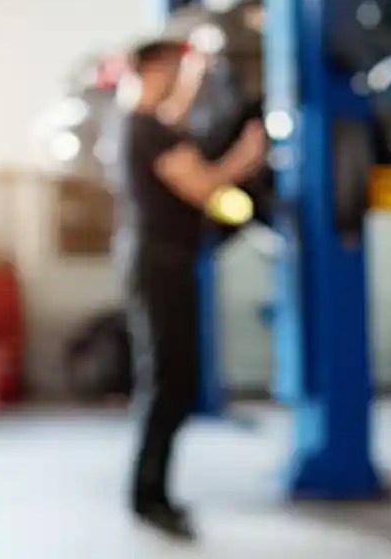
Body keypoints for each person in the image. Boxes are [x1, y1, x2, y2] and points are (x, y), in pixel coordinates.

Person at [113, 39, 267, 539]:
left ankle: (152, 492)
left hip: (167, 263)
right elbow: (202, 186)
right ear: (151, 72)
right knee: (168, 379)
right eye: (172, 72)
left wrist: (194, 78)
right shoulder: (143, 128)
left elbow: (177, 123)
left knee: (175, 377)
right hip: (159, 265)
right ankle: (148, 495)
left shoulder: (150, 126)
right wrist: (246, 155)